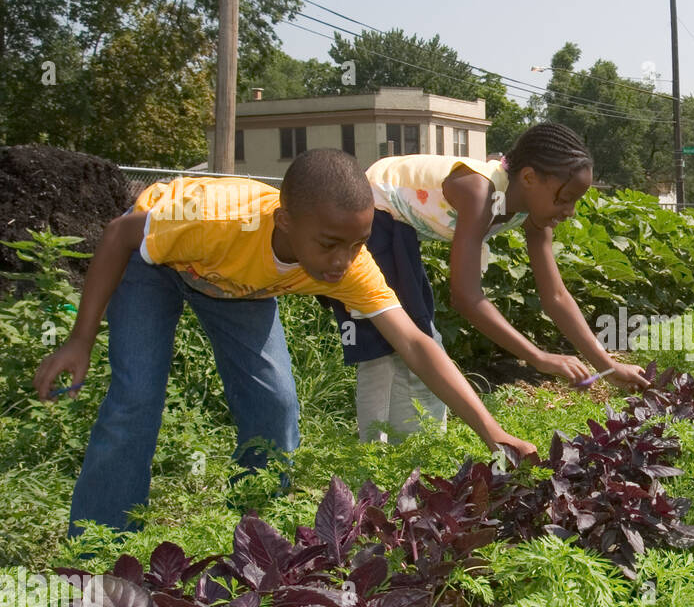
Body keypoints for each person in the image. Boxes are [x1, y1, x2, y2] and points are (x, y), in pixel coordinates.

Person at [34, 149, 537, 536]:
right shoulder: (219, 224)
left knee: (275, 405)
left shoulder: (349, 265)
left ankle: (253, 529)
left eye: (358, 244)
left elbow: (416, 343)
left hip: (237, 286)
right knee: (136, 397)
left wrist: (492, 432)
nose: (342, 260)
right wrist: (79, 339)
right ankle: (99, 547)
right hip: (157, 263)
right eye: (329, 245)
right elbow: (121, 233)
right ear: (286, 222)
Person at [321, 122, 650, 443]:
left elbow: (556, 296)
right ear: (530, 178)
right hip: (371, 213)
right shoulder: (479, 191)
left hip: (400, 229)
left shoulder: (532, 216)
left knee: (417, 339)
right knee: (394, 344)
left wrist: (607, 368)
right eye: (564, 199)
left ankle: (409, 450)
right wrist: (537, 356)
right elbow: (465, 296)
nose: (571, 211)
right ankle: (380, 453)